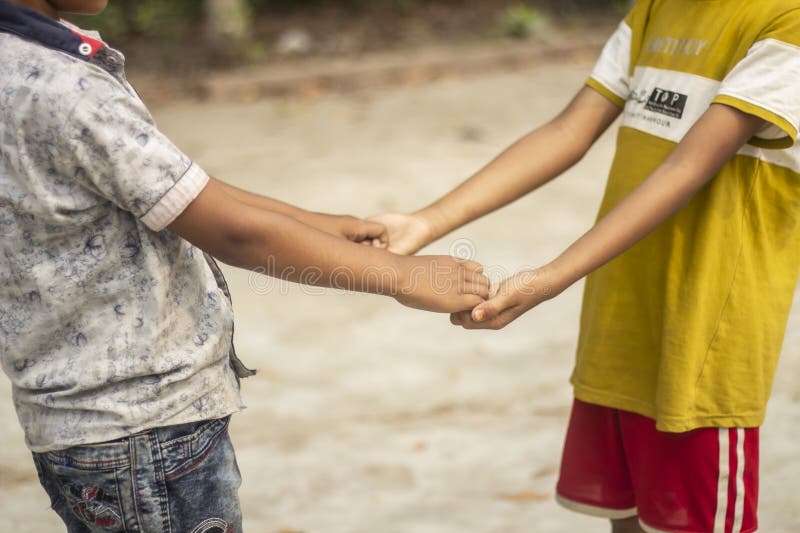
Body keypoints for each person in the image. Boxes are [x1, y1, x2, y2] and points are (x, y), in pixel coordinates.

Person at [0, 1, 490, 531]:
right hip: (145, 429)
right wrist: (401, 275)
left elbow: (181, 187)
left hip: (75, 426)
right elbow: (234, 232)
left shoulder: (18, 61)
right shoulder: (69, 90)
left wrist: (326, 225)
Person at [372, 1, 800, 531]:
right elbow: (567, 132)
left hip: (703, 338)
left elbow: (687, 168)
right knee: (623, 516)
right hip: (618, 322)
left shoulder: (785, 20)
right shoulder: (656, 9)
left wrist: (551, 278)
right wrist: (425, 222)